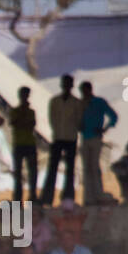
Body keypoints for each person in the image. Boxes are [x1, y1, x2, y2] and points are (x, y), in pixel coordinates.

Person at [41, 74, 84, 206]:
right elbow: (52, 118)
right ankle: (47, 198)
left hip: (71, 138)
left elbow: (79, 120)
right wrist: (57, 131)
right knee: (52, 168)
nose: (66, 86)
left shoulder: (76, 103)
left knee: (70, 169)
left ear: (71, 86)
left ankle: (68, 197)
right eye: (64, 83)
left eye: (68, 83)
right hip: (58, 138)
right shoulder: (54, 101)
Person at [79, 81, 119, 205]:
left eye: (86, 90)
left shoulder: (99, 102)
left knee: (94, 166)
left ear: (90, 90)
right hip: (84, 138)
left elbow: (113, 116)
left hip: (95, 138)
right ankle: (88, 198)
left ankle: (98, 195)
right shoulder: (81, 104)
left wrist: (105, 128)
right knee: (86, 168)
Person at [10, 86, 39, 202]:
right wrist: (23, 116)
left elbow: (31, 125)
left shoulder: (31, 112)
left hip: (29, 144)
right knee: (18, 173)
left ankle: (33, 195)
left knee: (33, 172)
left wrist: (23, 120)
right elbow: (15, 123)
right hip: (19, 144)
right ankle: (18, 198)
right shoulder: (15, 111)